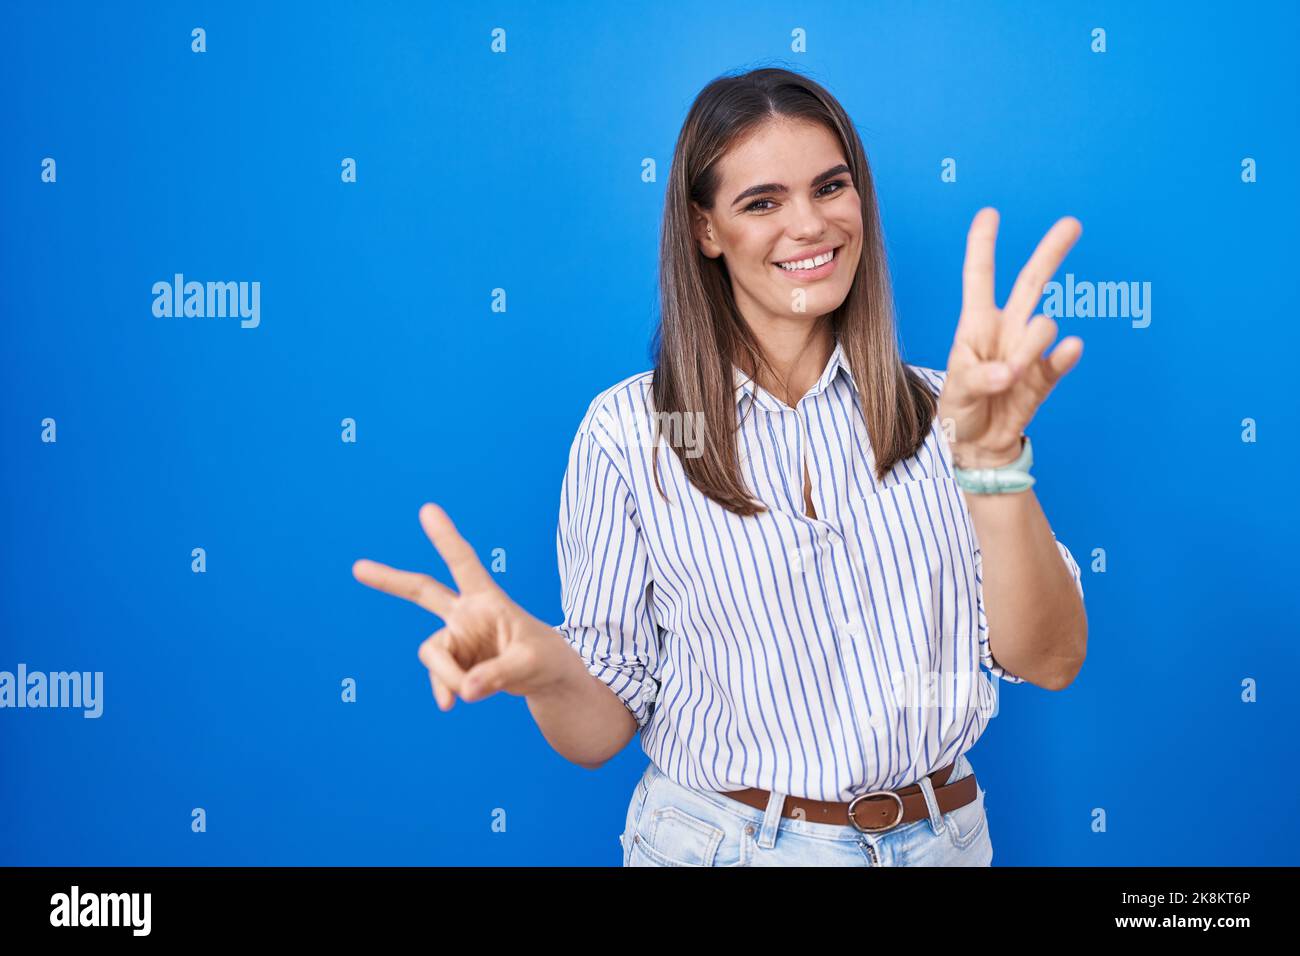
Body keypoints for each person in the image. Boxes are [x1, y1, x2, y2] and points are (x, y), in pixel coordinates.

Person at [352, 66, 1088, 867]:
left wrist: (993, 466)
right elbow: (598, 735)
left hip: (947, 842)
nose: (809, 225)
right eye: (762, 202)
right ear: (706, 230)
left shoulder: (957, 412)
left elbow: (1048, 659)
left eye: (830, 187)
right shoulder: (631, 431)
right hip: (725, 847)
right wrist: (547, 671)